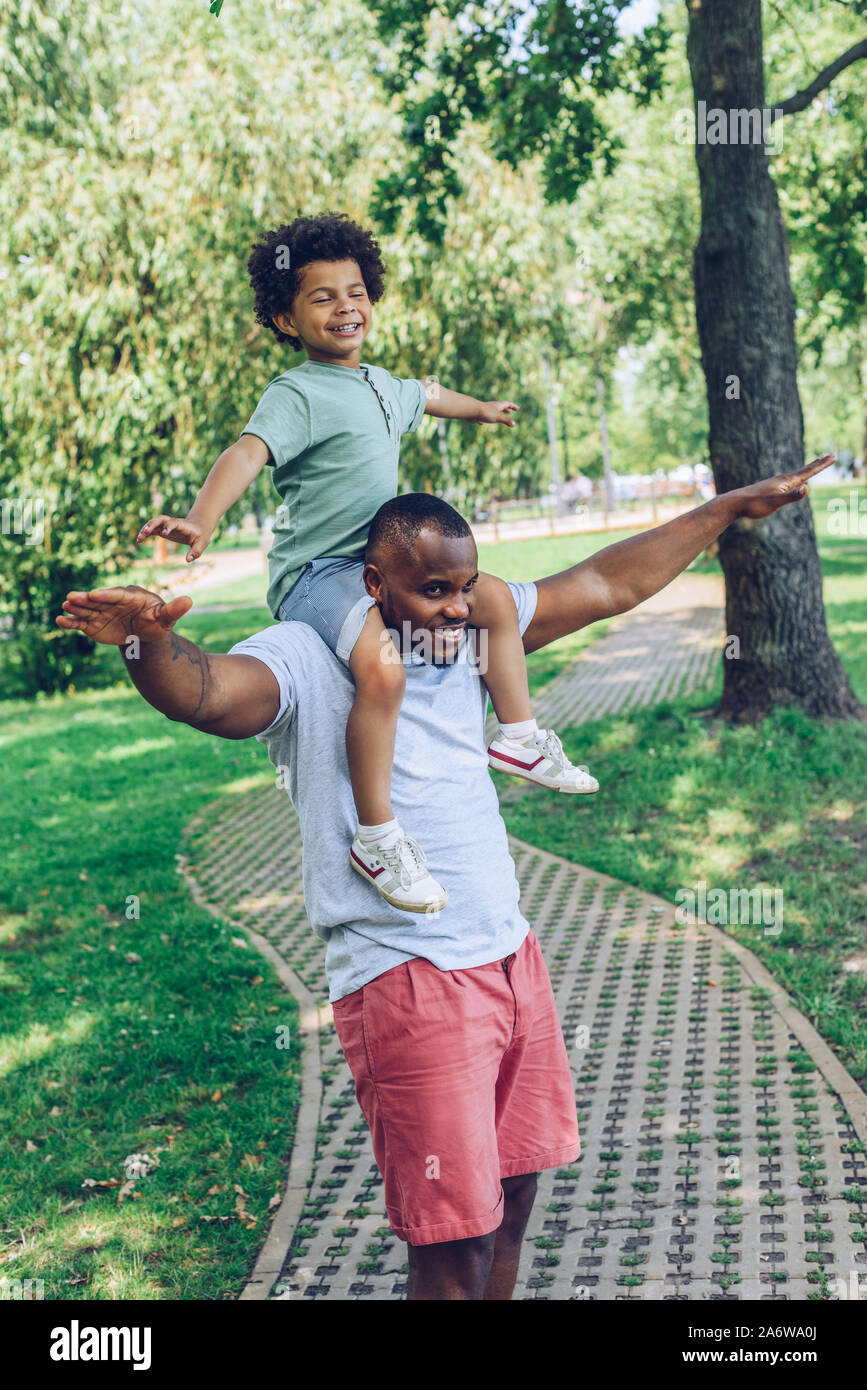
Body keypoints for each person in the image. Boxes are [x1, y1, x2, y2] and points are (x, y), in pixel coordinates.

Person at [57, 455, 833, 1300]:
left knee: (512, 1195)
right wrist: (150, 641)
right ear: (373, 583)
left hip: (508, 957)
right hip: (408, 979)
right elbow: (206, 693)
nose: (454, 608)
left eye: (459, 590)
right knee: (450, 1242)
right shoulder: (312, 650)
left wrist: (721, 509)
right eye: (431, 590)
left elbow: (608, 584)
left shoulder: (465, 629)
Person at [135, 211, 596, 917]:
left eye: (355, 292)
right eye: (322, 297)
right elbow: (246, 453)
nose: (345, 306)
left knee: (494, 600)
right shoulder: (297, 394)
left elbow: (430, 396)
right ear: (286, 320)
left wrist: (481, 410)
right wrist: (203, 518)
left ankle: (517, 736)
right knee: (383, 666)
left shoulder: (383, 385)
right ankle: (376, 837)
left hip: (381, 568)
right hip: (319, 574)